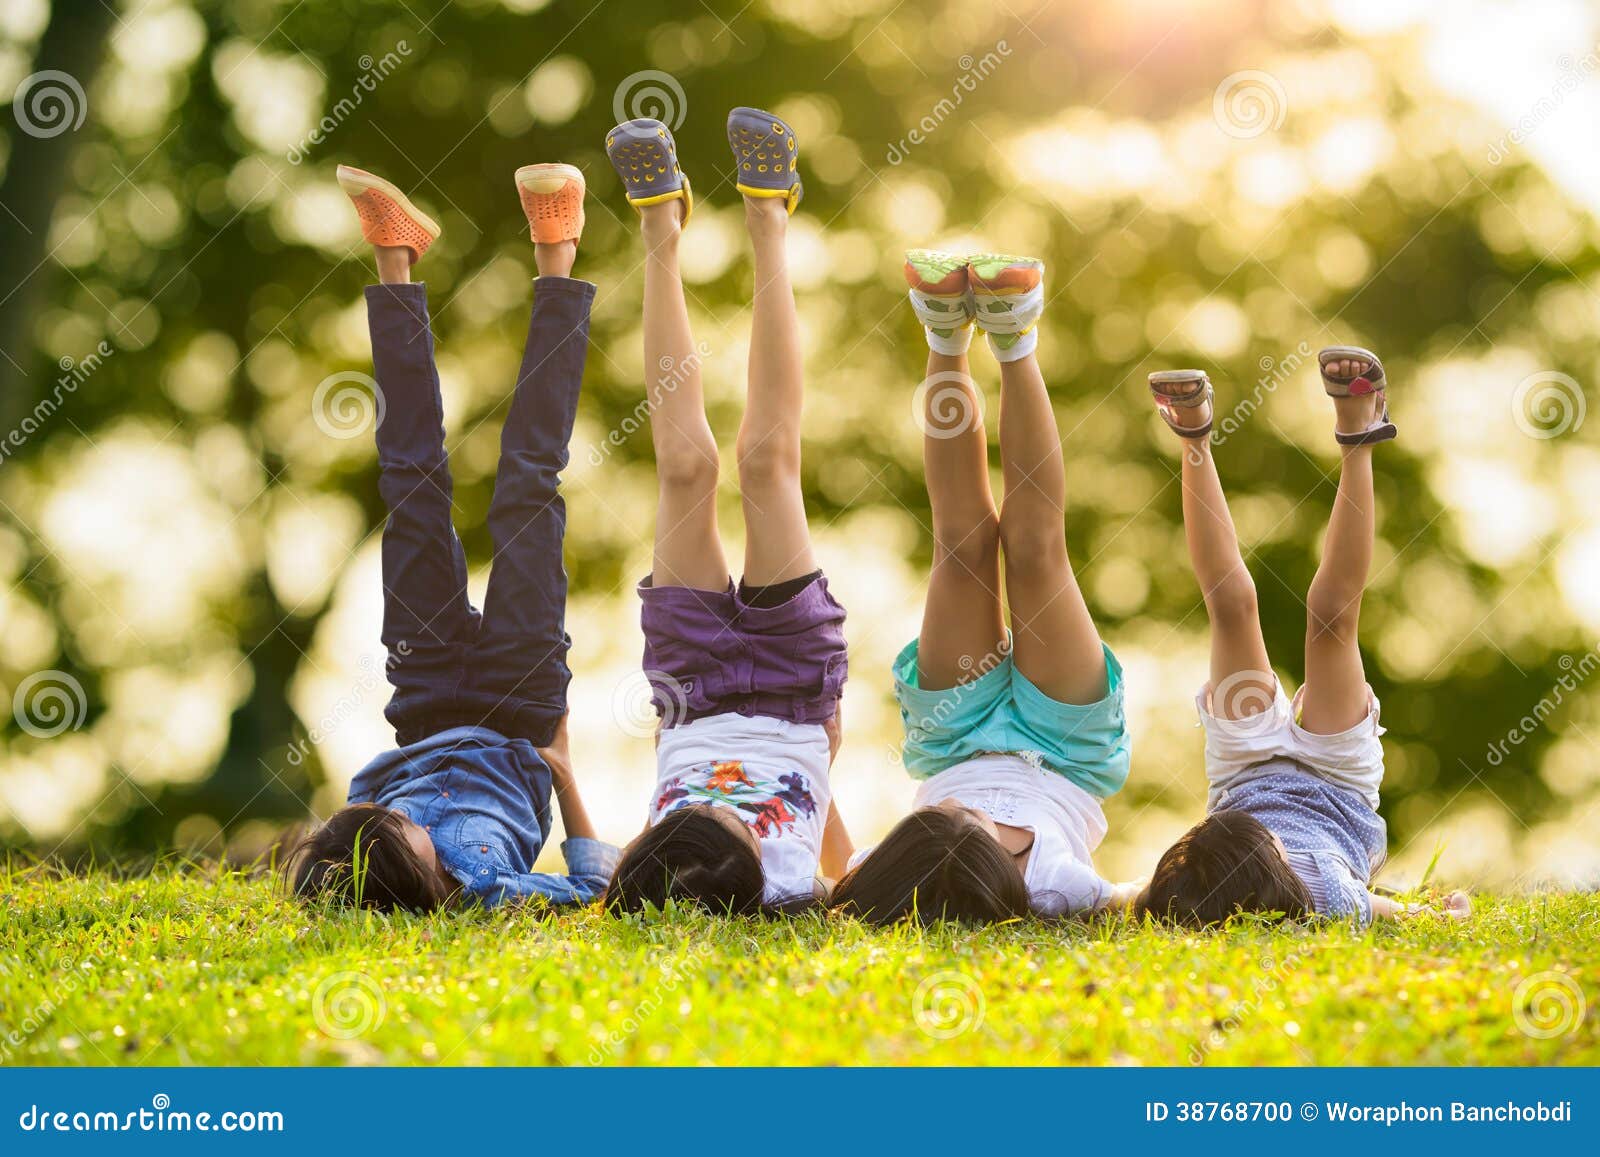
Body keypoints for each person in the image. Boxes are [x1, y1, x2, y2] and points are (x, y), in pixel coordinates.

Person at [286, 161, 615, 911]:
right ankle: (557, 254)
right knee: (529, 484)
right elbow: (595, 886)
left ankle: (395, 257)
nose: (392, 821)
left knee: (411, 488)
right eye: (398, 833)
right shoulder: (485, 889)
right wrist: (565, 775)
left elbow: (361, 814)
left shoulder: (354, 858)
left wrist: (367, 819)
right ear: (421, 873)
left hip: (424, 692)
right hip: (523, 703)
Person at [830, 250, 1138, 925]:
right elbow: (1148, 900)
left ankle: (945, 335)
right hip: (1066, 748)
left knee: (961, 546)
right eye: (960, 820)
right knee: (1035, 549)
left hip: (953, 734)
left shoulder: (885, 872)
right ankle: (1015, 336)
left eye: (937, 818)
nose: (956, 811)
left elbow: (826, 875)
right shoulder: (1055, 885)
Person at [602, 107, 853, 915]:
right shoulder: (786, 885)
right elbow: (851, 874)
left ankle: (660, 225)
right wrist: (827, 760)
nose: (721, 814)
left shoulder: (646, 877)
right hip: (793, 685)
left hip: (692, 687)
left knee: (685, 469)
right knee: (765, 465)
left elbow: (586, 870)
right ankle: (768, 217)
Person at [1136, 348, 1470, 925]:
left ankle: (1193, 437)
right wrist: (1445, 915)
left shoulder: (1186, 896)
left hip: (1243, 774)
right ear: (1286, 870)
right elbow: (1413, 916)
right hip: (1337, 785)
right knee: (1331, 619)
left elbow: (1126, 896)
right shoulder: (1330, 895)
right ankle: (1360, 433)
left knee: (1231, 607)